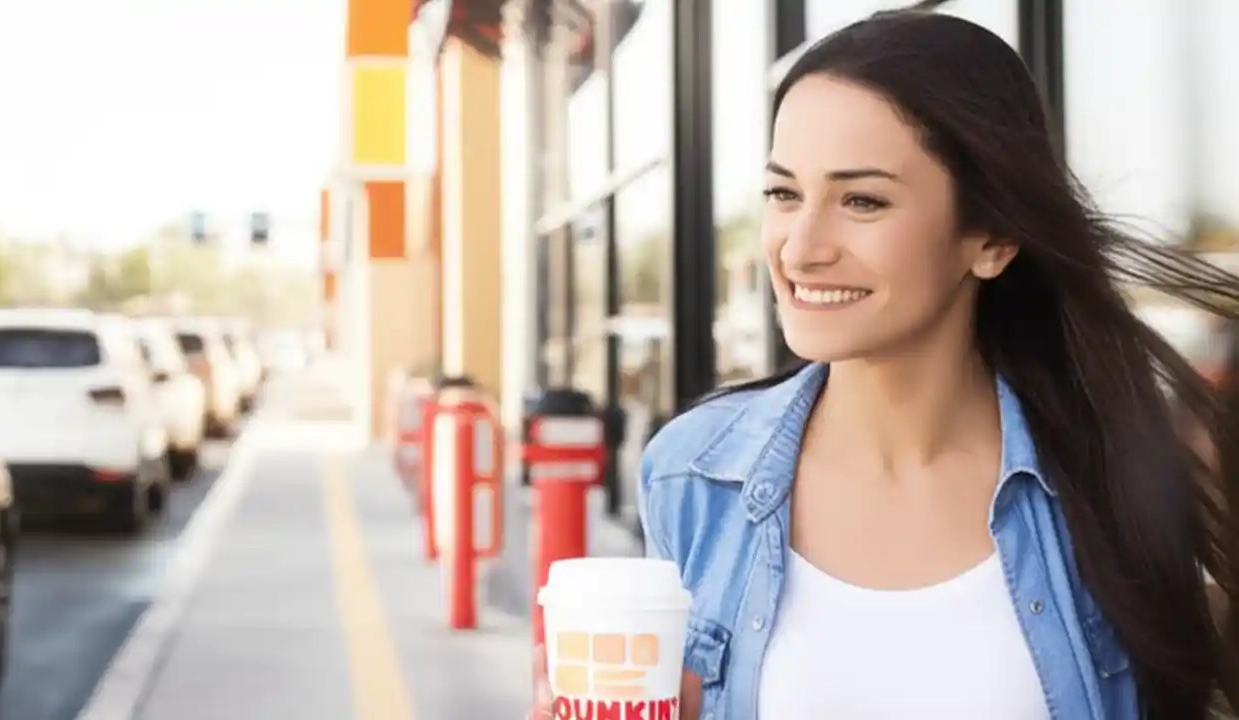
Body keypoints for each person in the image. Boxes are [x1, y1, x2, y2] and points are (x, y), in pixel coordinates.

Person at [531, 8, 1239, 720]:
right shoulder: (693, 475)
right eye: (784, 193)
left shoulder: (1105, 480)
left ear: (990, 239)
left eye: (862, 200)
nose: (801, 247)